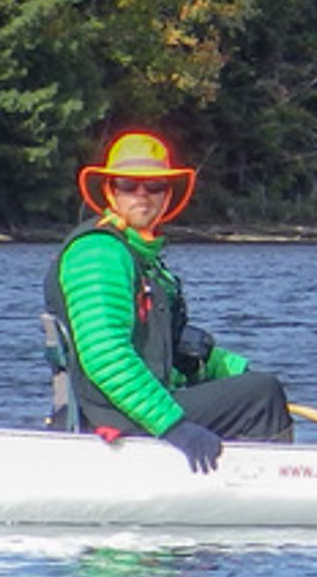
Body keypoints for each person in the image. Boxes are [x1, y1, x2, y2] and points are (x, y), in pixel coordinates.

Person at [46, 132, 292, 471]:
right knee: (262, 396)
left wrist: (236, 370)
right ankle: (264, 491)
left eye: (155, 186)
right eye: (129, 185)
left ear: (168, 194)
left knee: (252, 383)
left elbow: (173, 346)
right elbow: (105, 357)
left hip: (134, 406)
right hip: (115, 413)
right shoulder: (99, 254)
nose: (142, 196)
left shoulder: (143, 259)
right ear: (110, 190)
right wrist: (176, 428)